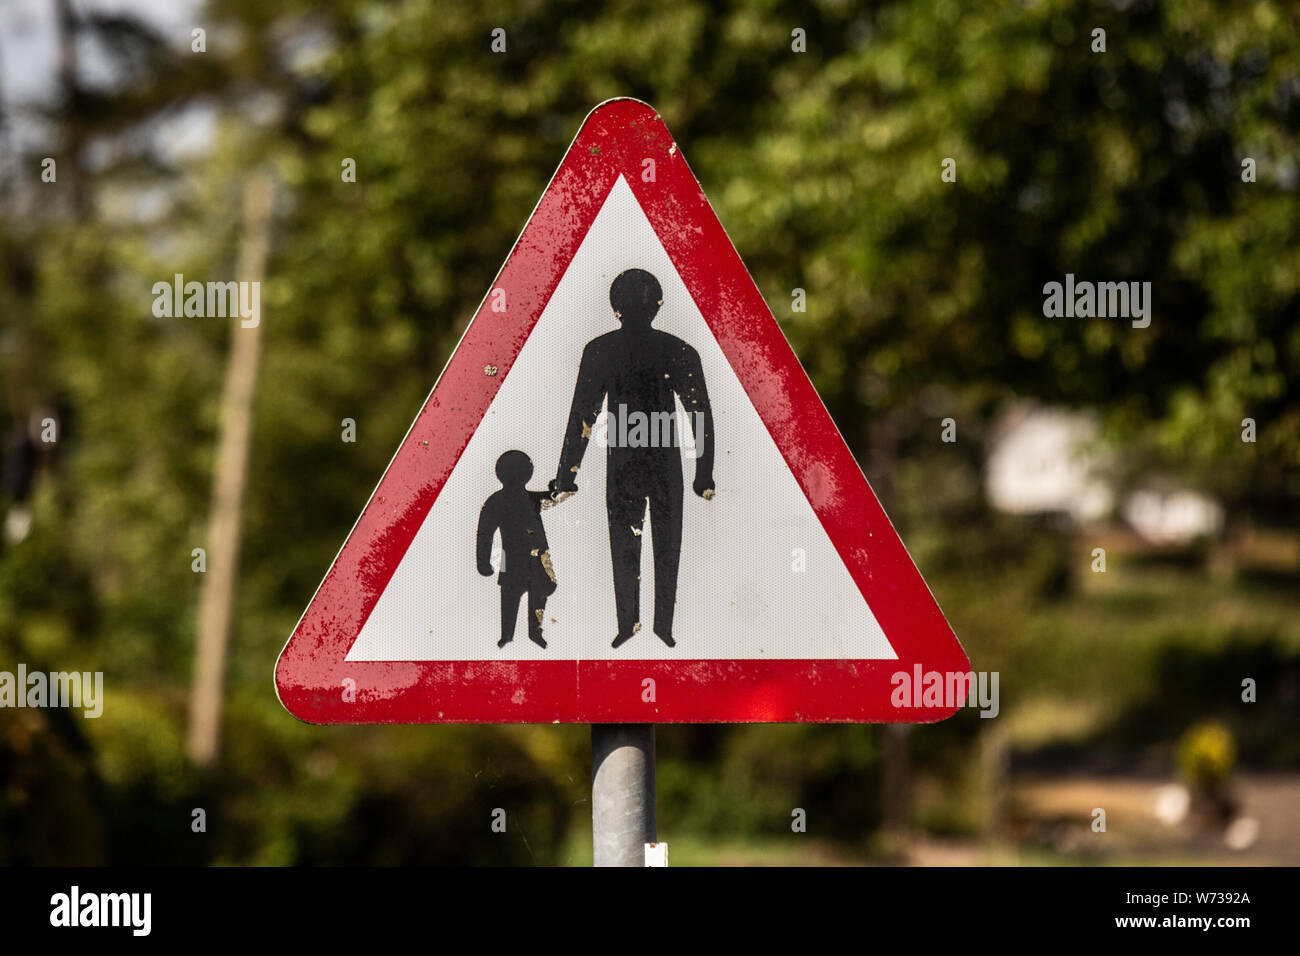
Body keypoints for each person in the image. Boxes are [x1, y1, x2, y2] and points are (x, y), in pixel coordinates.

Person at [550, 268, 714, 649]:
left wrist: (567, 476)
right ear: (658, 304)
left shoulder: (601, 350)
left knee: (626, 545)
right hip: (661, 464)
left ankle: (635, 625)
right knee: (664, 546)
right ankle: (657, 627)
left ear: (615, 307)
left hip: (625, 463)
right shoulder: (677, 349)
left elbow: (581, 419)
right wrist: (703, 473)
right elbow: (700, 416)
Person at [477, 450, 557, 649]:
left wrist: (556, 489)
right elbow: (485, 534)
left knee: (533, 597)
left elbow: (552, 498)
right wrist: (483, 563)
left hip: (533, 560)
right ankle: (508, 635)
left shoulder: (527, 498)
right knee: (511, 599)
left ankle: (533, 632)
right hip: (513, 560)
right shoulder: (497, 502)